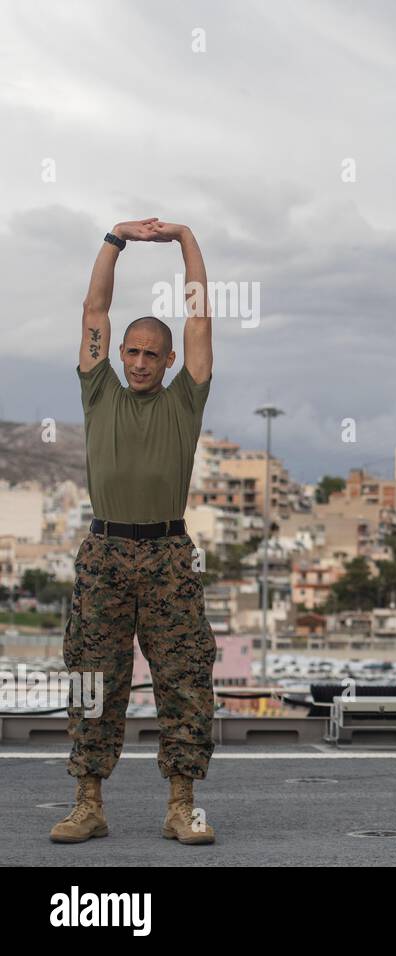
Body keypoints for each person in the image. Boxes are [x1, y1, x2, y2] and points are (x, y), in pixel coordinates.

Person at [50, 218, 218, 846]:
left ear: (169, 360)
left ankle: (182, 805)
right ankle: (88, 803)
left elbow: (200, 317)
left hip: (170, 554)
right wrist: (114, 240)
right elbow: (95, 305)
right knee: (94, 677)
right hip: (105, 554)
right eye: (133, 351)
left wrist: (183, 239)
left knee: (184, 681)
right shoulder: (99, 392)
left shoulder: (184, 399)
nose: (141, 361)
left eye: (153, 353)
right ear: (117, 353)